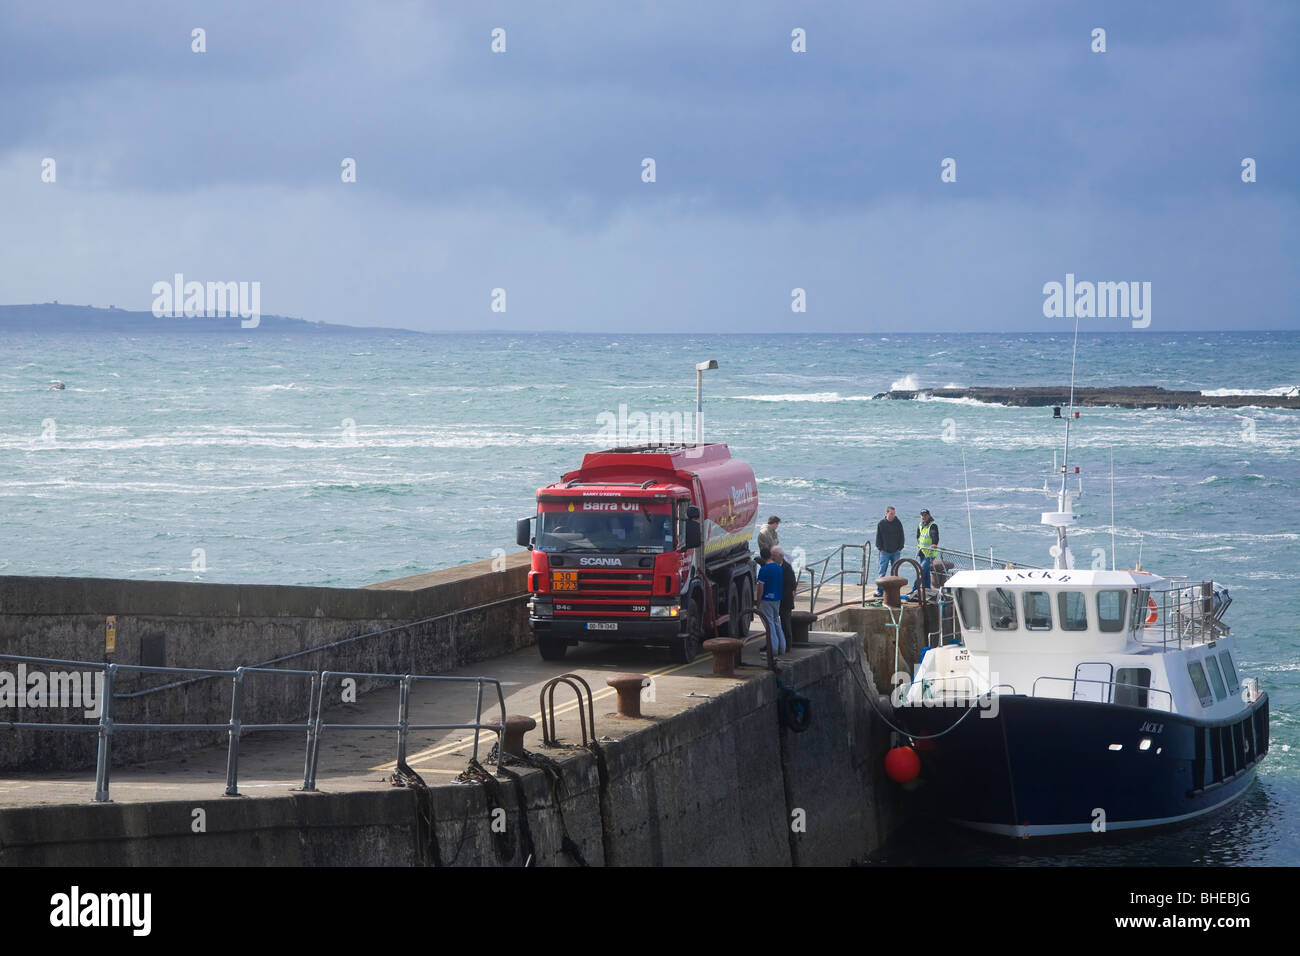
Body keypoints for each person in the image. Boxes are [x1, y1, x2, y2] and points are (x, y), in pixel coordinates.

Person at [756, 547, 787, 658]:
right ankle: (782, 647)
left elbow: (760, 588)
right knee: (776, 622)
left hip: (766, 599)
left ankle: (773, 649)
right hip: (777, 598)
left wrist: (758, 602)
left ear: (762, 557)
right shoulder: (779, 568)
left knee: (769, 624)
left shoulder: (764, 570)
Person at [874, 505, 904, 597]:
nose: (892, 516)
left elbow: (901, 536)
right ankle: (880, 591)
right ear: (886, 513)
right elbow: (878, 537)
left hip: (896, 551)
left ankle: (893, 591)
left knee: (894, 572)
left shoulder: (898, 523)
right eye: (891, 514)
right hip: (885, 552)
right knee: (882, 571)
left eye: (894, 514)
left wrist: (900, 548)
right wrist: (880, 548)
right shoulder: (881, 523)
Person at [915, 509, 939, 592]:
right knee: (925, 572)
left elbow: (934, 535)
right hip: (922, 552)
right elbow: (918, 536)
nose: (923, 517)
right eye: (922, 515)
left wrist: (934, 543)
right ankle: (927, 589)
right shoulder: (920, 525)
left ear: (929, 515)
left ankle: (914, 589)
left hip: (930, 553)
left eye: (925, 515)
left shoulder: (932, 525)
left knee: (920, 570)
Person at [780, 548, 798, 647]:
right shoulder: (780, 567)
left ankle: (788, 644)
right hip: (779, 599)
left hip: (786, 600)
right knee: (780, 623)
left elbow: (793, 585)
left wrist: (791, 594)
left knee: (786, 623)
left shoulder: (788, 569)